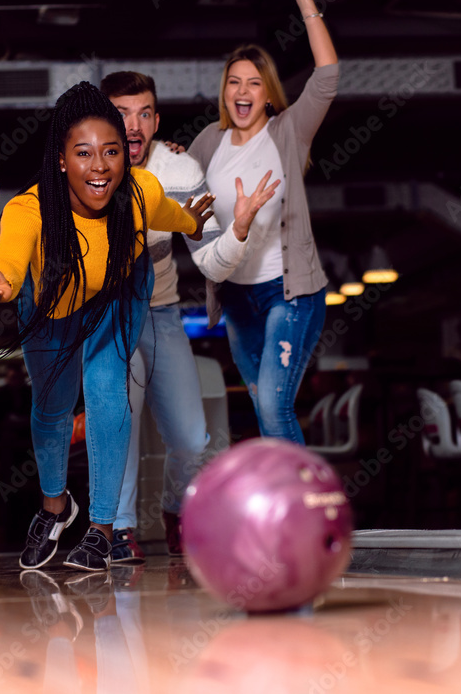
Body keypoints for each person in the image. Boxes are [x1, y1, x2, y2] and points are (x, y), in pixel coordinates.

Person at [0, 81, 212, 571]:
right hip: (51, 303)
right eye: (84, 153)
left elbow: (176, 217)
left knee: (108, 395)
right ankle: (55, 508)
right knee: (51, 410)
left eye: (112, 152)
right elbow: (8, 268)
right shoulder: (29, 209)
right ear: (60, 159)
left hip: (118, 293)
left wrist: (196, 224)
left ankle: (101, 530)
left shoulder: (142, 191)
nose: (100, 167)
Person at [100, 71, 279, 558]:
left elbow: (209, 260)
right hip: (107, 319)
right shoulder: (86, 170)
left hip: (160, 314)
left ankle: (176, 509)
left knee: (190, 437)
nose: (132, 126)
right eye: (119, 114)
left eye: (143, 114)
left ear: (156, 120)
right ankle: (118, 531)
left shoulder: (179, 172)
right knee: (122, 419)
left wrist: (237, 231)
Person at [187, 0, 339, 444]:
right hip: (236, 298)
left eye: (254, 82)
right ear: (225, 92)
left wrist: (304, 0)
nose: (242, 90)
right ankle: (289, 505)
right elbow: (182, 200)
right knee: (260, 405)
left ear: (268, 93)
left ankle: (303, 511)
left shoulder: (288, 130)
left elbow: (327, 75)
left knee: (274, 407)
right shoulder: (207, 143)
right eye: (234, 81)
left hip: (288, 292)